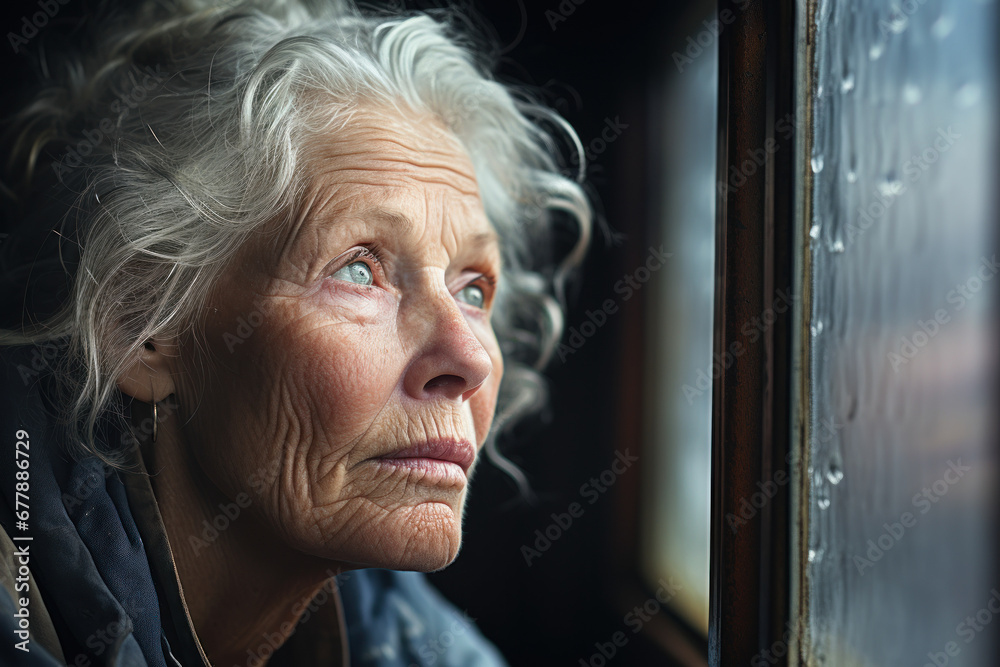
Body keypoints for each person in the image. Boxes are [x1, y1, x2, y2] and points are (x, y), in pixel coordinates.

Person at [0, 0, 592, 665]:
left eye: (473, 288)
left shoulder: (389, 622)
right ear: (142, 322)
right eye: (360, 271)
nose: (470, 358)